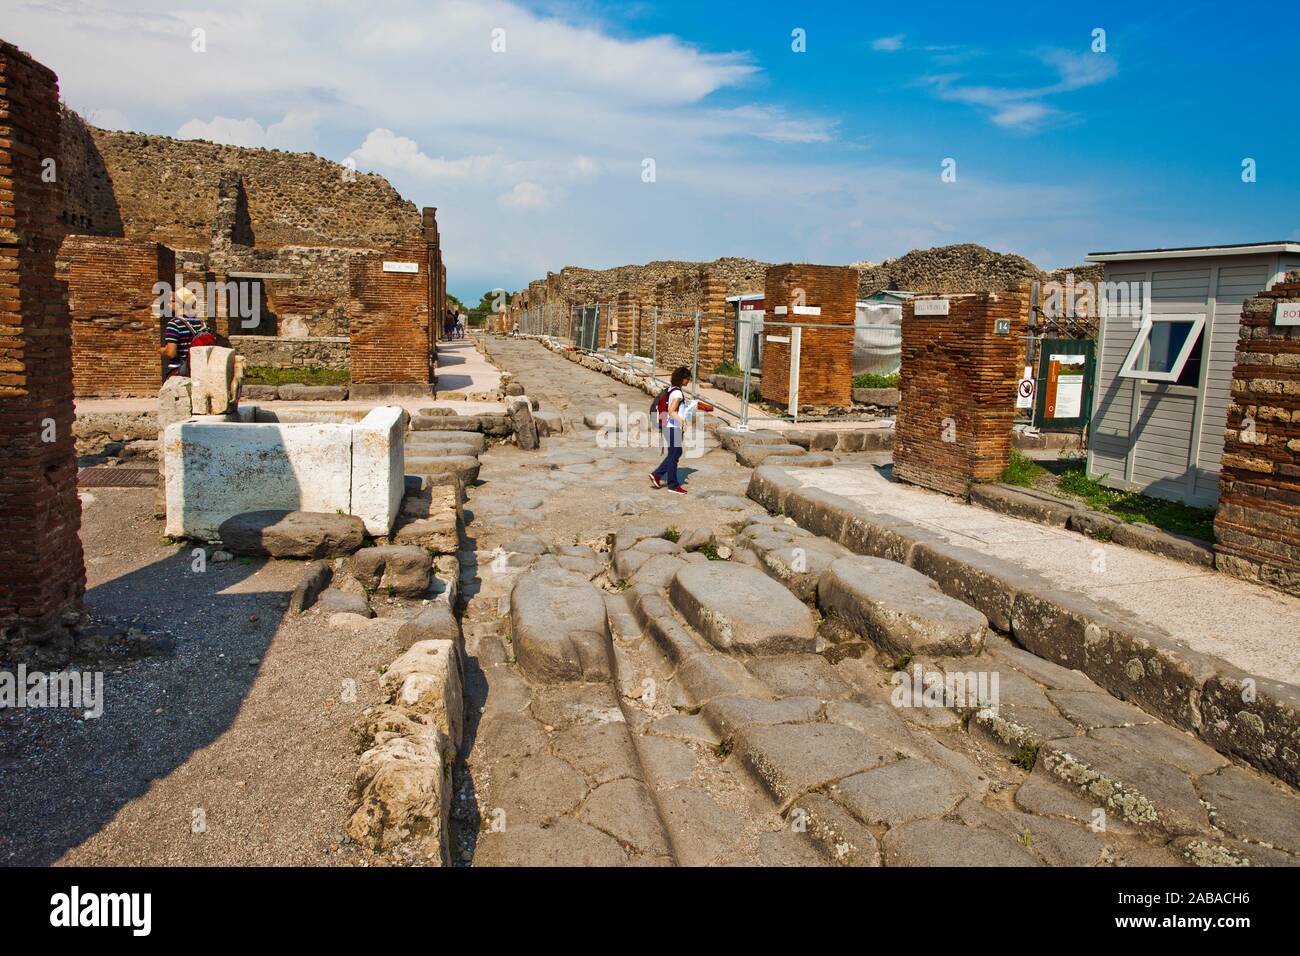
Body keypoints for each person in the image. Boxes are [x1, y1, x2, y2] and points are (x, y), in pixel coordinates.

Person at [650, 367, 692, 495]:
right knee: (674, 455)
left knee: (676, 452)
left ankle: (657, 474)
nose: (689, 381)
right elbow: (671, 411)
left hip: (668, 426)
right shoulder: (678, 393)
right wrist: (683, 422)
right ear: (682, 379)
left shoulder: (671, 389)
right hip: (673, 427)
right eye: (687, 378)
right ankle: (672, 485)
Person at [161, 287, 212, 378]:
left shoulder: (174, 324)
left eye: (172, 301)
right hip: (199, 372)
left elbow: (171, 353)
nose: (168, 304)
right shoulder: (203, 324)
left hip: (179, 372)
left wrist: (161, 350)